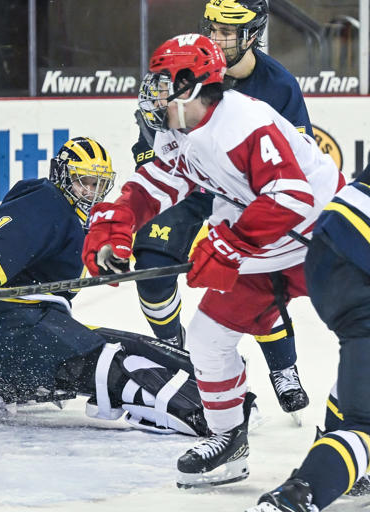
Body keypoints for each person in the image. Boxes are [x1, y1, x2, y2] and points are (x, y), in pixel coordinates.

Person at [82, 34, 344, 489]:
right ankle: (228, 442)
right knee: (208, 337)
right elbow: (154, 184)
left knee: (360, 339)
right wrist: (113, 229)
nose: (154, 90)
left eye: (163, 81)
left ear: (191, 86)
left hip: (331, 238)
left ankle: (351, 442)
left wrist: (228, 244)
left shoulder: (244, 124)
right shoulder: (183, 129)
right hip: (272, 246)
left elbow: (293, 195)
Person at [0, 137, 223, 438]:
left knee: (167, 356)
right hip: (2, 331)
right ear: (61, 176)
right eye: (83, 181)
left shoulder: (73, 222)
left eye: (99, 184)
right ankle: (199, 411)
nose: (91, 192)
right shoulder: (47, 201)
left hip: (4, 336)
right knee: (118, 356)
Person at [129, 0, 313, 417]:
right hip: (192, 185)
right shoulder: (187, 63)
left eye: (230, 31)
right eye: (214, 28)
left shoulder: (279, 86)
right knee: (152, 267)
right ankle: (176, 355)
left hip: (244, 192)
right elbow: (152, 123)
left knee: (257, 279)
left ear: (253, 33)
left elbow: (295, 161)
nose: (219, 38)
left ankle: (284, 367)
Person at [246, 167, 370, 511]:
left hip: (328, 244)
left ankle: (338, 441)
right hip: (357, 260)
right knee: (367, 425)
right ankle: (297, 496)